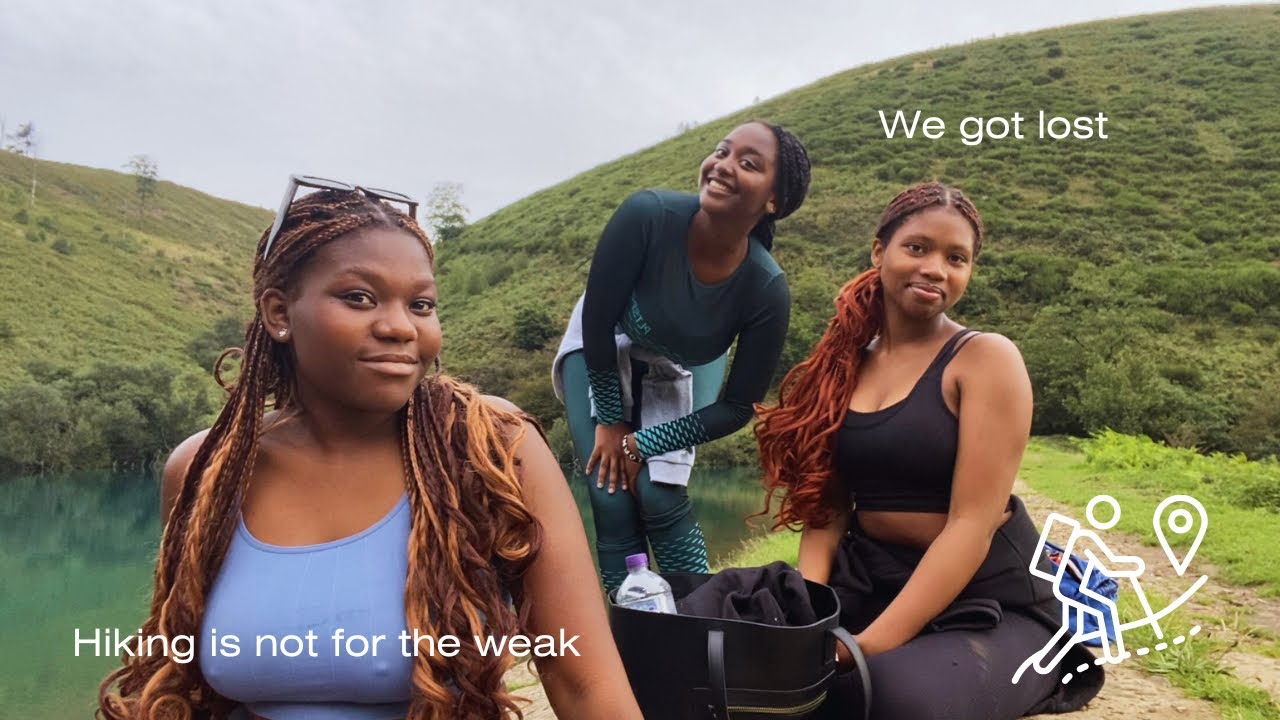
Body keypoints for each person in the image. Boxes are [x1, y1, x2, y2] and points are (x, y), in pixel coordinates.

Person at [97, 178, 643, 720]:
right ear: (279, 313)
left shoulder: (489, 450)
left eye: (421, 304)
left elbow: (585, 684)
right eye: (359, 297)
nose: (400, 327)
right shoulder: (207, 470)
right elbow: (185, 672)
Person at [754, 182, 1103, 718]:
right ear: (879, 251)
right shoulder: (844, 364)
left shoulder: (985, 359)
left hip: (990, 600)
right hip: (870, 576)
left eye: (955, 258)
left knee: (887, 697)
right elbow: (828, 511)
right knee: (729, 635)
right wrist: (809, 611)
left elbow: (971, 527)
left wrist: (860, 648)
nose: (935, 268)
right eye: (917, 247)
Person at [552, 120, 811, 590]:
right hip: (604, 342)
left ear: (773, 202)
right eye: (722, 151)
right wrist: (612, 423)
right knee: (609, 494)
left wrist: (640, 444)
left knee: (660, 489)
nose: (723, 166)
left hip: (686, 363)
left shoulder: (765, 289)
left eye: (748, 164)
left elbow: (736, 409)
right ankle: (631, 624)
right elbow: (598, 321)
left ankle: (696, 616)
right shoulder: (646, 216)